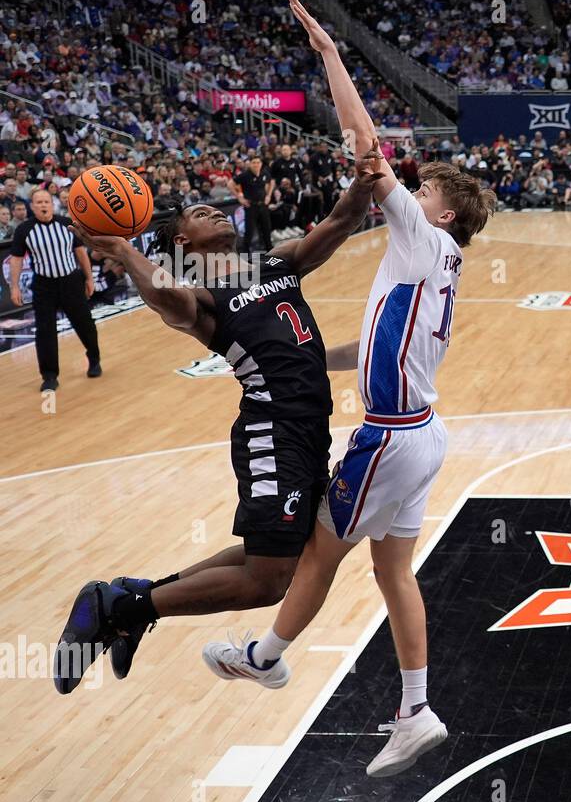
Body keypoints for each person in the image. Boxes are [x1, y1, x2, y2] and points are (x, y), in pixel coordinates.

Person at [200, 0, 497, 777]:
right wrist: (302, 362)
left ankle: (265, 655)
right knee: (392, 570)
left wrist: (330, 54)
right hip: (422, 435)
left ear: (439, 213)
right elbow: (371, 347)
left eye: (422, 192)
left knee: (317, 555)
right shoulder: (434, 264)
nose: (410, 193)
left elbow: (366, 146)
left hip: (390, 438)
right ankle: (416, 707)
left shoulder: (423, 237)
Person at [51, 142, 384, 695]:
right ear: (183, 244)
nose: (212, 209)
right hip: (271, 430)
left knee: (288, 553)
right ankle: (121, 606)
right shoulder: (200, 294)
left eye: (213, 207)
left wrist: (366, 175)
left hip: (305, 430)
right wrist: (122, 251)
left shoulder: (275, 261)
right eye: (197, 214)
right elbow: (168, 303)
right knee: (267, 581)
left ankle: (134, 597)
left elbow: (343, 220)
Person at [5, 189, 99, 392]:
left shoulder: (66, 224)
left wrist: (89, 278)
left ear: (52, 203)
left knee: (84, 324)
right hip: (44, 285)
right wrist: (14, 286)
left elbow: (80, 252)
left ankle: (94, 359)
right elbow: (16, 259)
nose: (43, 205)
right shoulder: (24, 229)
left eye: (46, 201)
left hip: (71, 281)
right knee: (45, 331)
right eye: (38, 202)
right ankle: (49, 375)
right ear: (32, 206)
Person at [234, 154, 274, 251]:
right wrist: (240, 198)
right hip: (251, 206)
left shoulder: (264, 173)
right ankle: (245, 252)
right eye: (254, 163)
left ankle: (269, 249)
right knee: (249, 231)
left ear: (261, 164)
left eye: (258, 162)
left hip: (263, 205)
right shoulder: (245, 175)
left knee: (266, 228)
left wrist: (269, 195)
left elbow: (271, 182)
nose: (256, 165)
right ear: (250, 164)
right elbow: (230, 184)